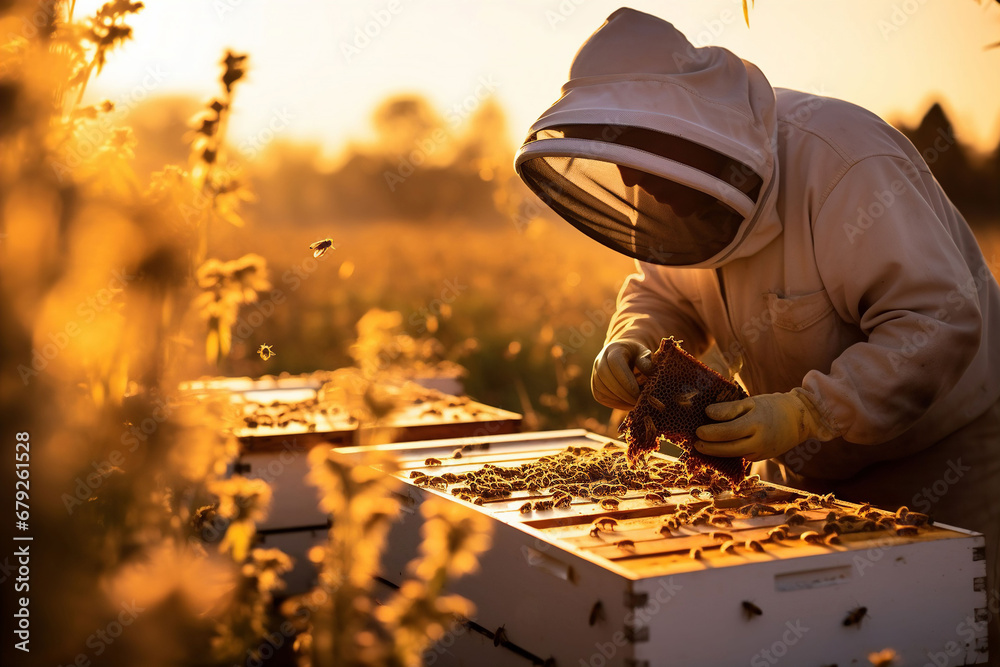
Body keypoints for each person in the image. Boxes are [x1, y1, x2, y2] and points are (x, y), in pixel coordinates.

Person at [514, 6, 1000, 658]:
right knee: (814, 642)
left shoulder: (844, 165)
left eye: (643, 166)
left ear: (688, 132)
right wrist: (627, 342)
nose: (633, 183)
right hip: (800, 471)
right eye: (623, 165)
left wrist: (810, 408)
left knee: (938, 639)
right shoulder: (670, 188)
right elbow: (661, 290)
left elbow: (937, 320)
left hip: (944, 461)